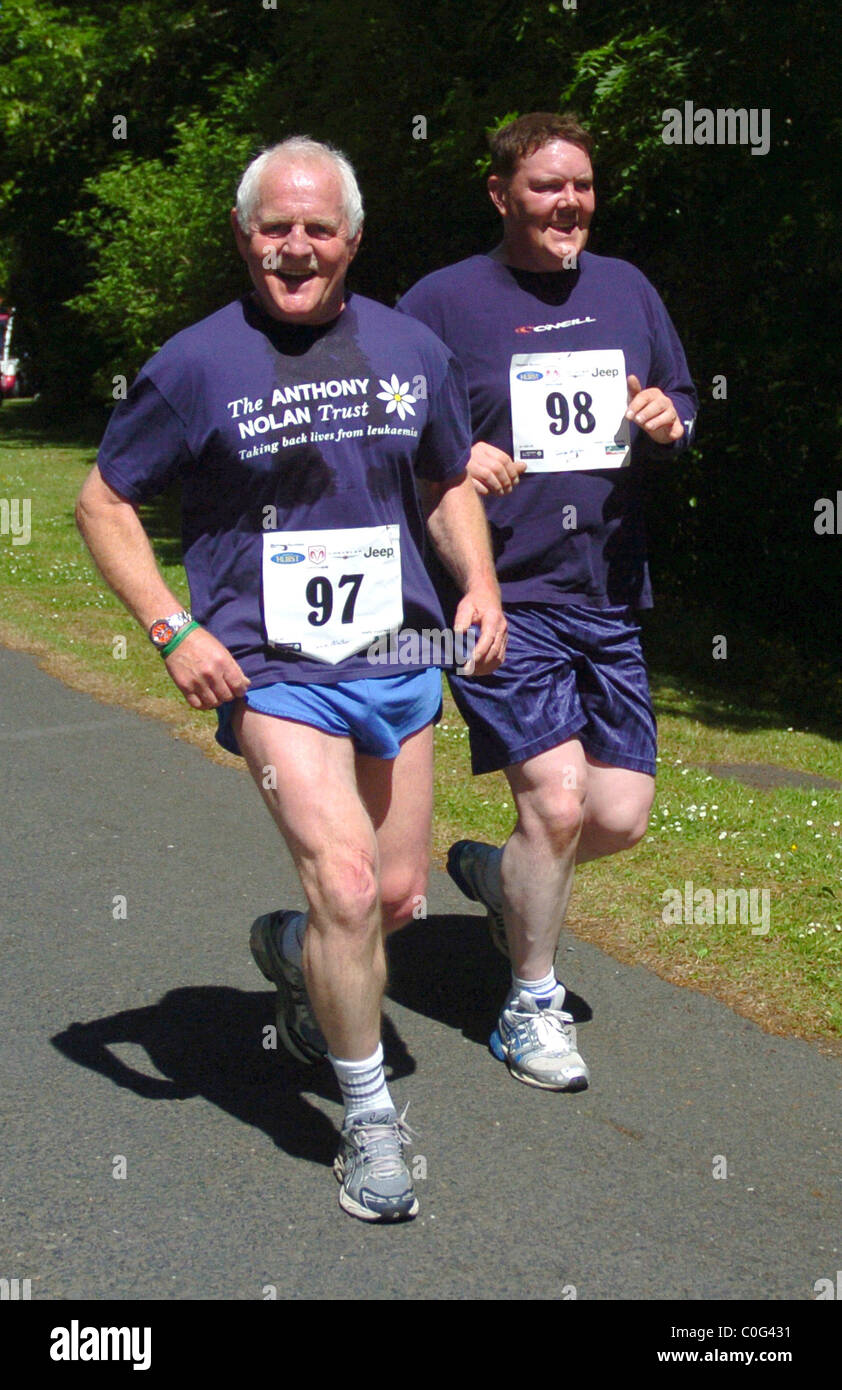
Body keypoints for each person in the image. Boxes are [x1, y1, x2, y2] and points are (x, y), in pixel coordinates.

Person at [76, 136, 506, 1223]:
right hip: (272, 669)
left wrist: (481, 586)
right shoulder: (195, 363)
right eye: (275, 227)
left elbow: (445, 476)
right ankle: (365, 1121)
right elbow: (101, 501)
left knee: (396, 896)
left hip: (401, 655)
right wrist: (172, 628)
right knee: (348, 883)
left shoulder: (410, 346)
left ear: (352, 239)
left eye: (318, 228)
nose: (296, 247)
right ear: (243, 235)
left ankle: (296, 953)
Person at [398, 112, 697, 1093]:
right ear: (500, 194)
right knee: (557, 802)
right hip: (498, 596)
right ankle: (527, 1005)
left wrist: (667, 417)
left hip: (604, 591)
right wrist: (450, 452)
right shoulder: (441, 303)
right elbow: (383, 431)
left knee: (615, 813)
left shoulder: (626, 288)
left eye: (579, 186)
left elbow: (681, 400)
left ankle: (497, 875)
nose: (566, 202)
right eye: (543, 187)